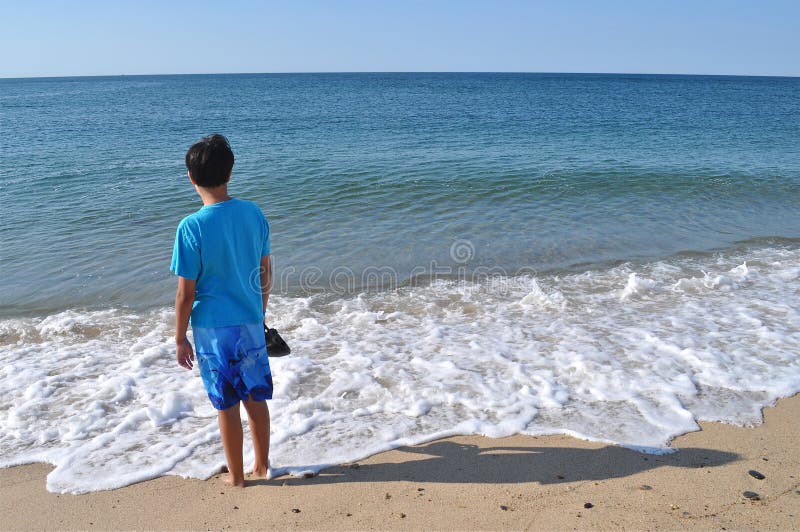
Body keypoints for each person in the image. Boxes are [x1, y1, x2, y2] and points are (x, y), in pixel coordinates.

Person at [170, 134, 273, 487]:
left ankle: (239, 478)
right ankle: (262, 466)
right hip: (249, 321)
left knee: (226, 404)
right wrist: (259, 312)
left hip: (213, 330)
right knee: (254, 396)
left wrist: (179, 336)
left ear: (191, 177)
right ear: (230, 173)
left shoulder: (191, 227)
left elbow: (186, 293)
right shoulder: (253, 213)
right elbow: (265, 271)